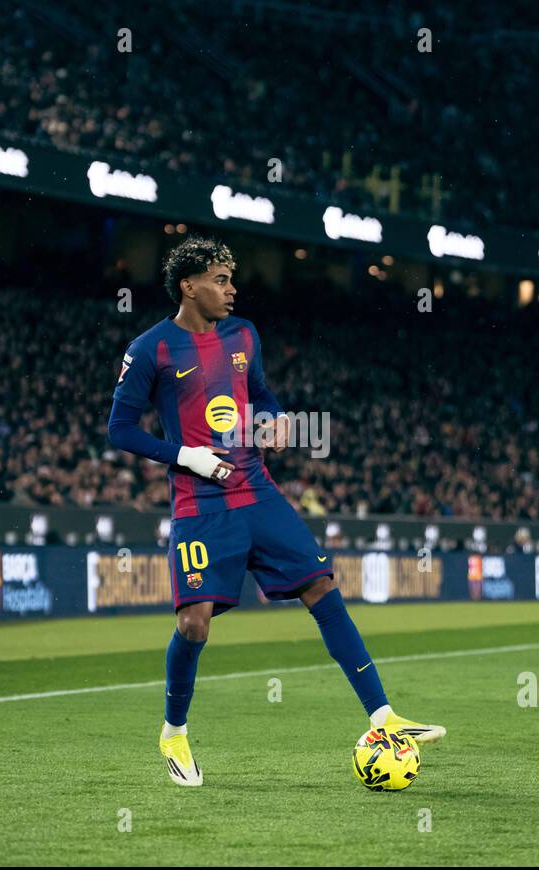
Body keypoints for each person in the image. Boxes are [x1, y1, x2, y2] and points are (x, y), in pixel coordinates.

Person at [107, 236, 445, 787]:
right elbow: (119, 430)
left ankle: (385, 716)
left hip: (257, 491)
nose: (232, 289)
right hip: (201, 505)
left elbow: (261, 393)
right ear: (189, 286)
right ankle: (174, 731)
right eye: (220, 279)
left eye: (231, 278)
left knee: (321, 586)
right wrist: (186, 454)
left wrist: (275, 418)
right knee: (193, 625)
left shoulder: (244, 335)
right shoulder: (150, 350)